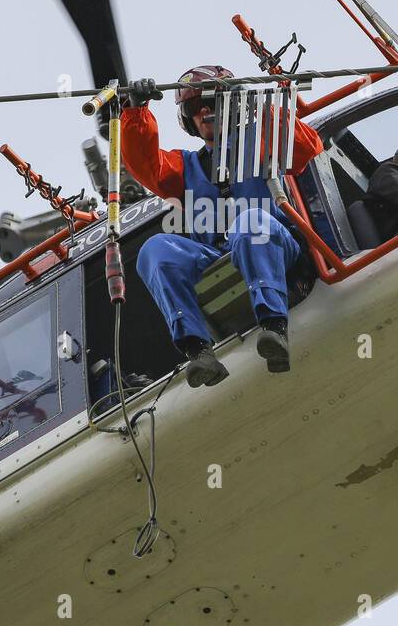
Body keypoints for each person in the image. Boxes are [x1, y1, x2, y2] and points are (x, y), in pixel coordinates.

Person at [121, 66, 323, 387]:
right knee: (155, 250)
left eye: (212, 103)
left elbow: (306, 146)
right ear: (187, 119)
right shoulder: (187, 166)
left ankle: (274, 327)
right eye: (193, 108)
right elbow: (147, 165)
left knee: (249, 222)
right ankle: (198, 349)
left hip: (277, 247)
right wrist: (135, 111)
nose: (204, 112)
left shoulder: (261, 139)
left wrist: (259, 106)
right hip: (219, 255)